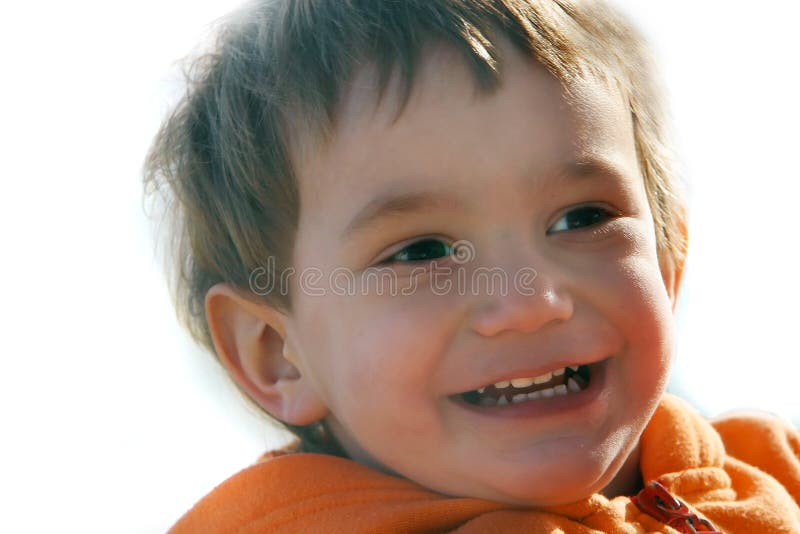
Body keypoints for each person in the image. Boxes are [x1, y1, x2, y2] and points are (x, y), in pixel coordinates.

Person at [145, 0, 800, 531]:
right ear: (276, 352)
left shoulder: (773, 474)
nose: (533, 301)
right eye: (423, 251)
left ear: (667, 260)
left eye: (582, 218)